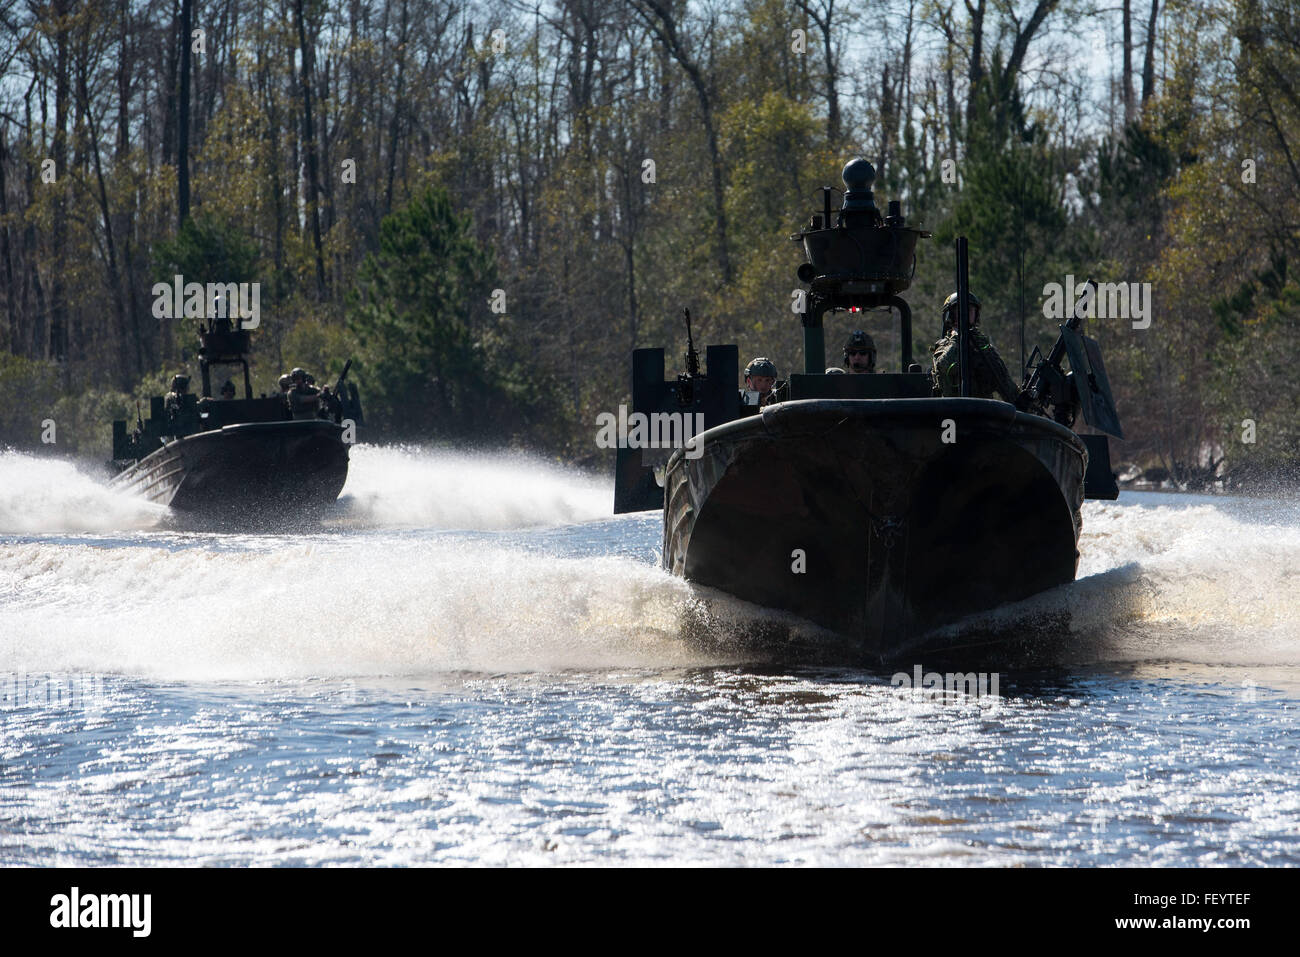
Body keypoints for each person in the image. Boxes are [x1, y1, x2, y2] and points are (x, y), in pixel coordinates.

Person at [930, 291, 1021, 403]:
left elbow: (1003, 381)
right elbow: (943, 365)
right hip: (952, 411)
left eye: (970, 310)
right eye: (960, 310)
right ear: (950, 315)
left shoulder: (983, 346)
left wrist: (1020, 400)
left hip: (983, 412)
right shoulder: (943, 347)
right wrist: (957, 338)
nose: (965, 314)